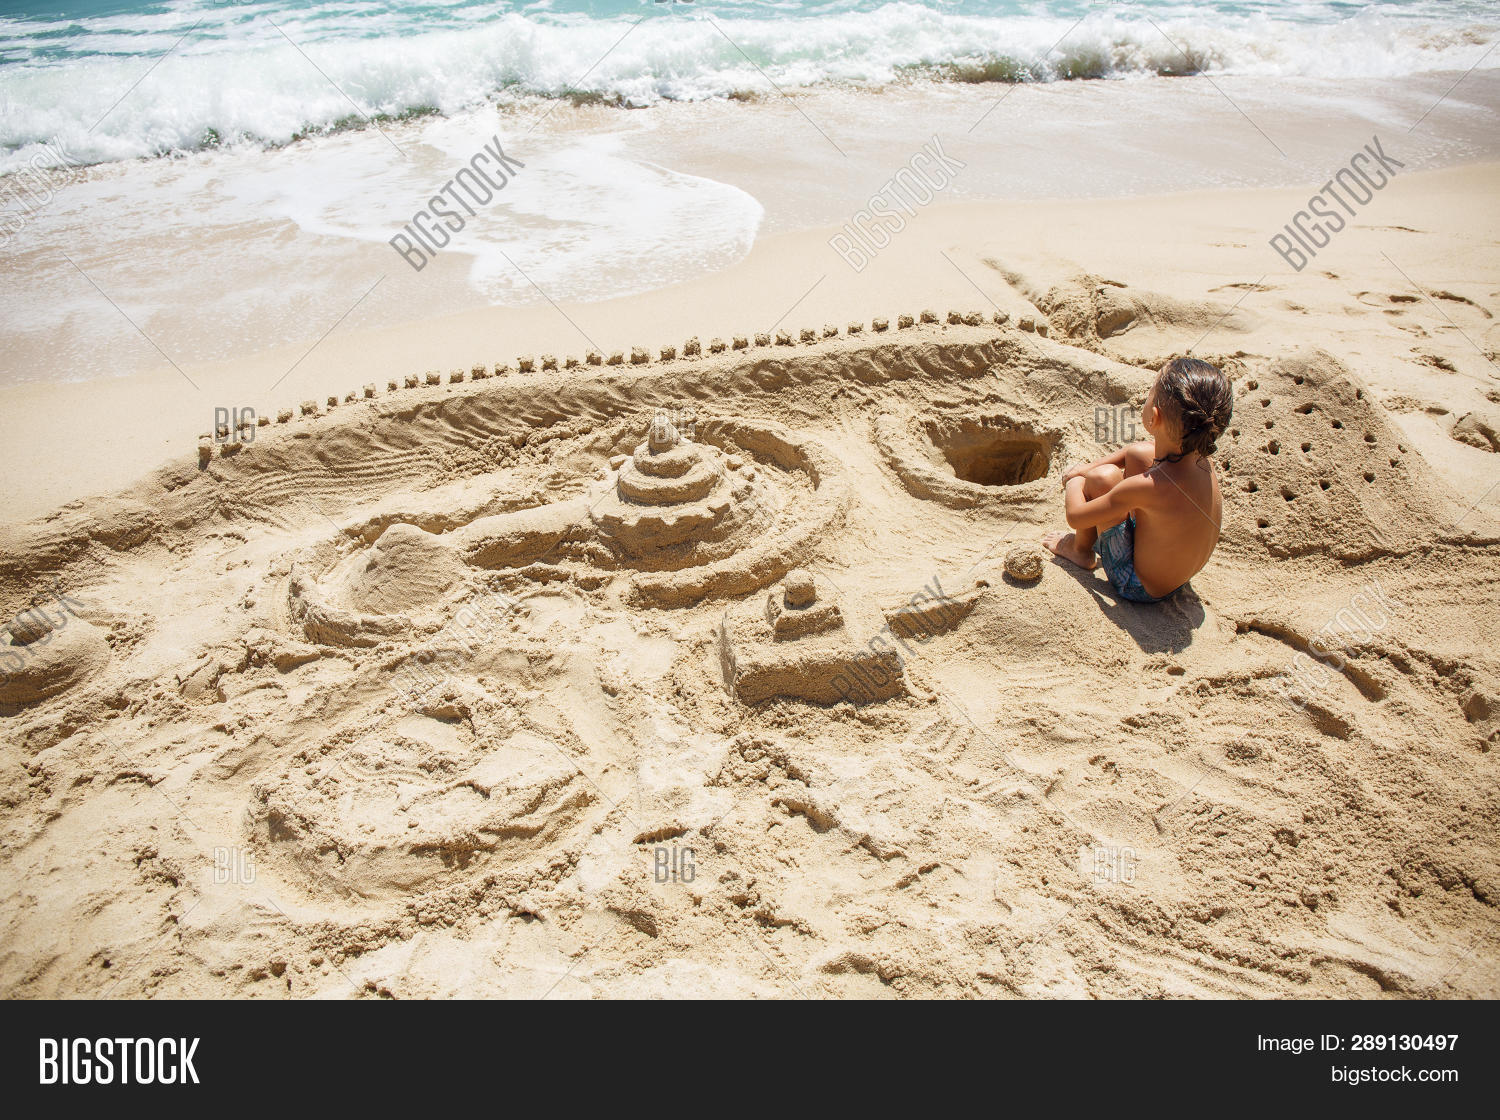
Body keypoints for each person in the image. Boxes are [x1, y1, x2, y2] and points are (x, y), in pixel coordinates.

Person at [1043, 357, 1233, 603]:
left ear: (1154, 416)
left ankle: (1079, 550)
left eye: (1149, 394)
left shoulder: (1145, 487)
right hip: (1178, 575)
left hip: (1139, 586)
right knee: (1138, 453)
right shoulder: (1202, 461)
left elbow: (1076, 516)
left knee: (1101, 479)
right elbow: (1139, 451)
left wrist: (1076, 479)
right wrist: (1091, 464)